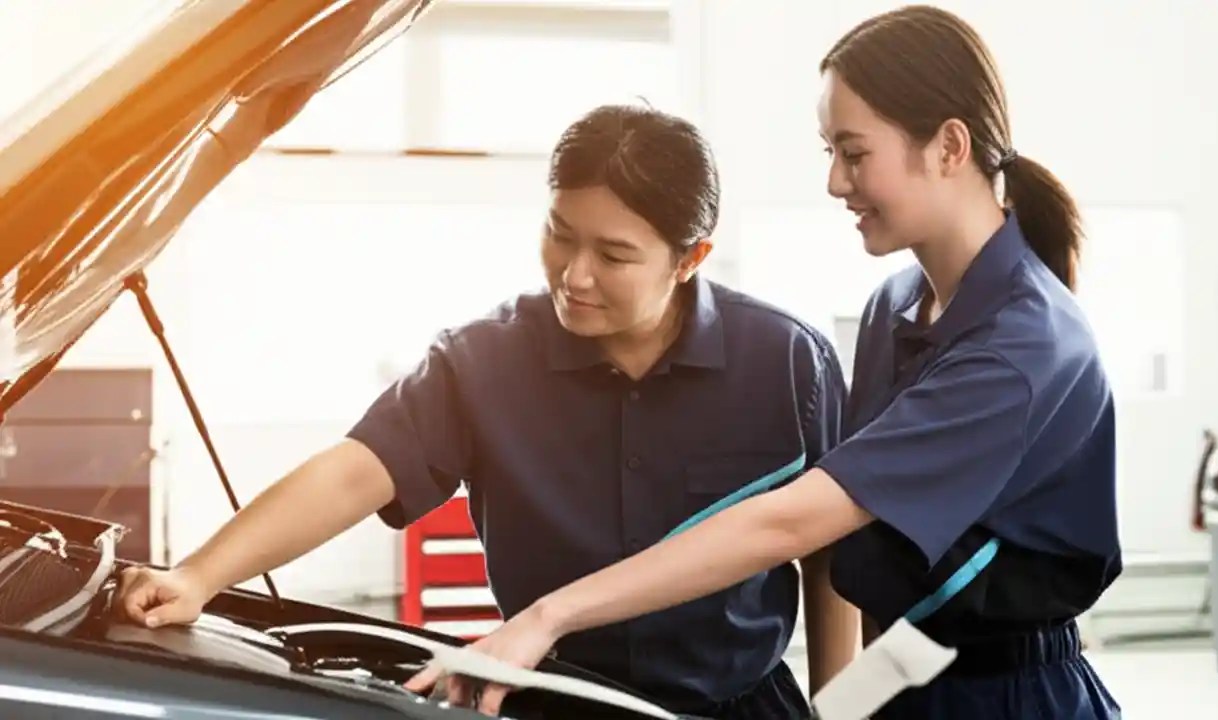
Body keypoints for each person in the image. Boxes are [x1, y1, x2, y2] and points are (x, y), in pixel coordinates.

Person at [419, 6, 1124, 719]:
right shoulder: (897, 304)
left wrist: (547, 617)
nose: (835, 183)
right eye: (829, 154)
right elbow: (886, 570)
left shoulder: (1022, 347)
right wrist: (842, 709)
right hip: (915, 671)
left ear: (948, 146)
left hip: (1016, 697)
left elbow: (794, 524)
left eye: (854, 153)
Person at [113, 103, 861, 719]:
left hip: (742, 709)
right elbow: (352, 473)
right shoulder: (482, 362)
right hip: (549, 704)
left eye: (614, 254)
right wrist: (201, 575)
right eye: (560, 235)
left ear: (690, 257)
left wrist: (841, 710)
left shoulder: (788, 363)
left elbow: (830, 558)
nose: (575, 275)